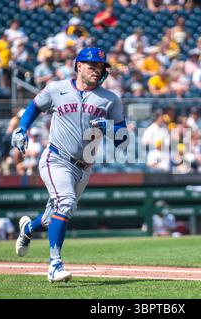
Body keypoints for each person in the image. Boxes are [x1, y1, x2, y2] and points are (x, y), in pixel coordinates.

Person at [12, 48, 128, 283]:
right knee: (66, 203)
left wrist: (109, 129)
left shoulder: (110, 99)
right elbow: (35, 106)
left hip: (84, 168)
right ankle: (54, 264)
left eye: (101, 67)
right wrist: (22, 128)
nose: (98, 70)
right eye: (92, 65)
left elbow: (123, 138)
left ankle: (28, 229)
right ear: (79, 66)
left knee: (52, 217)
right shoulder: (57, 89)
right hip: (56, 158)